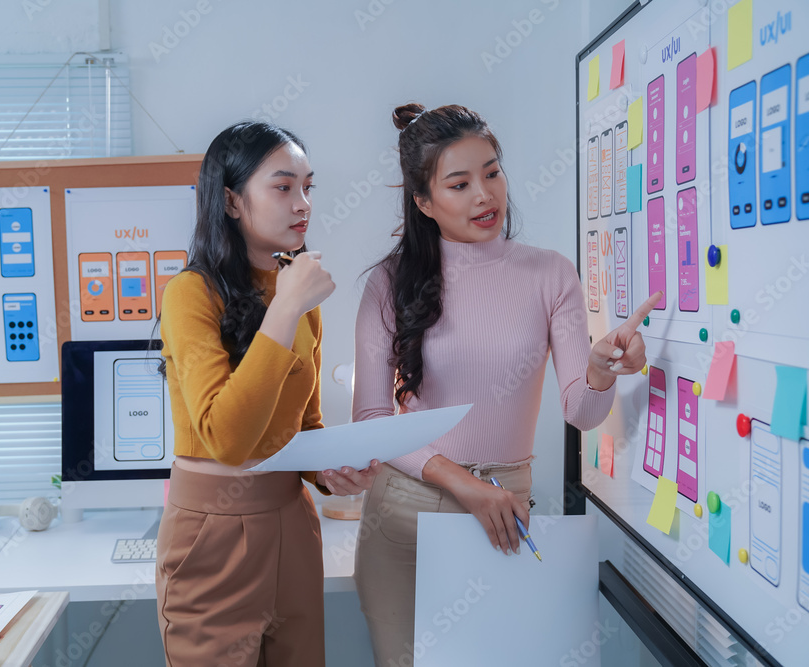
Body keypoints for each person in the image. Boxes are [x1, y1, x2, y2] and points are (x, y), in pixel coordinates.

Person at [352, 103, 660, 666]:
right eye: (459, 184)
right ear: (424, 202)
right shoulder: (389, 282)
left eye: (492, 173)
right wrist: (463, 484)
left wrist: (600, 371)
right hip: (405, 514)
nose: (484, 195)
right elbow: (371, 422)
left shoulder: (550, 273)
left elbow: (582, 412)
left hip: (504, 510)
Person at [156, 120, 379, 667]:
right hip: (213, 531)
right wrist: (285, 307)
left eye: (308, 187)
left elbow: (304, 428)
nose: (303, 204)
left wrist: (329, 472)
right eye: (283, 187)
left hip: (292, 523)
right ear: (232, 201)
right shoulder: (191, 294)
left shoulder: (299, 296)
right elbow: (227, 439)